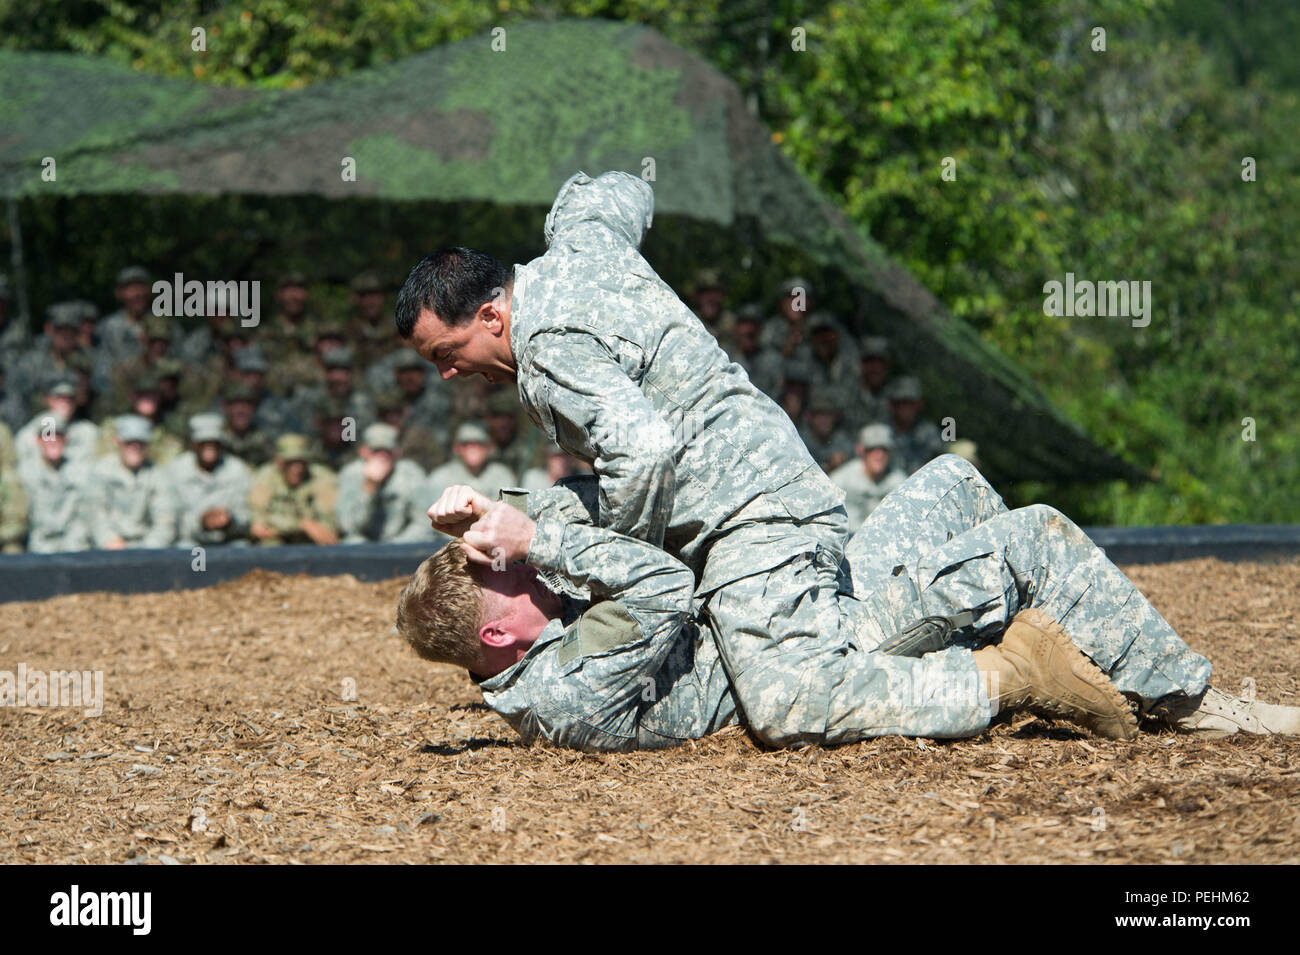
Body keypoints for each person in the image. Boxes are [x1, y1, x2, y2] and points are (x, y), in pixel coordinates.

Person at [398, 456, 1300, 751]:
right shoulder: (567, 678)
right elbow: (667, 582)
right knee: (1034, 533)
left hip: (784, 600)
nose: (529, 569)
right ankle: (1189, 702)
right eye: (509, 573)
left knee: (949, 478)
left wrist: (513, 508)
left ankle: (1074, 644)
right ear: (495, 630)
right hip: (813, 639)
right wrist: (542, 537)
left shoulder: (540, 650)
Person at [394, 170, 851, 748]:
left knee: (787, 708)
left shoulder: (546, 350)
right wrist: (503, 512)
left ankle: (991, 679)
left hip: (753, 523)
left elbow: (642, 454)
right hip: (770, 480)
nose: (447, 373)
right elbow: (613, 189)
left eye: (446, 353)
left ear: (491, 317)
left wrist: (616, 574)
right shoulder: (581, 246)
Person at [85, 414, 177, 550]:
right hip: (107, 548)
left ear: (147, 444)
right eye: (129, 442)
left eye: (140, 443)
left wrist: (146, 550)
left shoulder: (157, 475)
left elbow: (165, 521)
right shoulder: (101, 471)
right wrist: (109, 540)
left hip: (148, 549)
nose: (135, 448)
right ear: (118, 441)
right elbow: (94, 514)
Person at [336, 422, 437, 543]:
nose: (382, 456)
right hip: (363, 547)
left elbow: (424, 522)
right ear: (363, 451)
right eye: (376, 451)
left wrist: (394, 547)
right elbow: (348, 526)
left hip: (400, 546)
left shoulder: (410, 473)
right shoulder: (351, 474)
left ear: (397, 452)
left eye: (387, 451)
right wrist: (370, 486)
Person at [167, 413, 252, 547]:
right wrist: (201, 522)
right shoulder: (176, 470)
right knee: (186, 550)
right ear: (193, 444)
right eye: (203, 443)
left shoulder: (237, 469)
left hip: (227, 541)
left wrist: (230, 521)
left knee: (242, 547)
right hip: (192, 542)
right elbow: (171, 519)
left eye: (214, 442)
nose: (209, 447)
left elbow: (246, 517)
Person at [16, 415, 90, 553]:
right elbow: (23, 517)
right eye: (47, 436)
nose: (53, 441)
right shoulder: (24, 473)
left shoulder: (81, 472)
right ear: (38, 440)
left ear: (66, 439)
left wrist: (74, 543)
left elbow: (84, 514)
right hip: (36, 544)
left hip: (74, 544)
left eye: (58, 436)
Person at [248, 433, 339, 546]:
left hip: (311, 546)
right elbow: (258, 529)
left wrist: (276, 528)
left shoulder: (322, 478)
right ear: (278, 462)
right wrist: (302, 525)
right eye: (290, 463)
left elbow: (329, 534)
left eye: (302, 462)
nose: (297, 469)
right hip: (275, 546)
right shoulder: (264, 478)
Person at [829, 423, 907, 527]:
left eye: (884, 449)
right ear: (861, 451)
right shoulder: (840, 480)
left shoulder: (901, 483)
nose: (879, 455)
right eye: (871, 449)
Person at [426, 422, 516, 501]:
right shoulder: (440, 477)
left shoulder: (502, 475)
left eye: (480, 443)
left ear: (489, 447)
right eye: (466, 444)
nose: (473, 448)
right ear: (456, 448)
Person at [885, 376, 945, 475]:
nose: (906, 408)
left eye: (910, 403)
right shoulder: (882, 432)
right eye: (901, 402)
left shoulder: (929, 432)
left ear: (919, 405)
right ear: (892, 405)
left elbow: (942, 461)